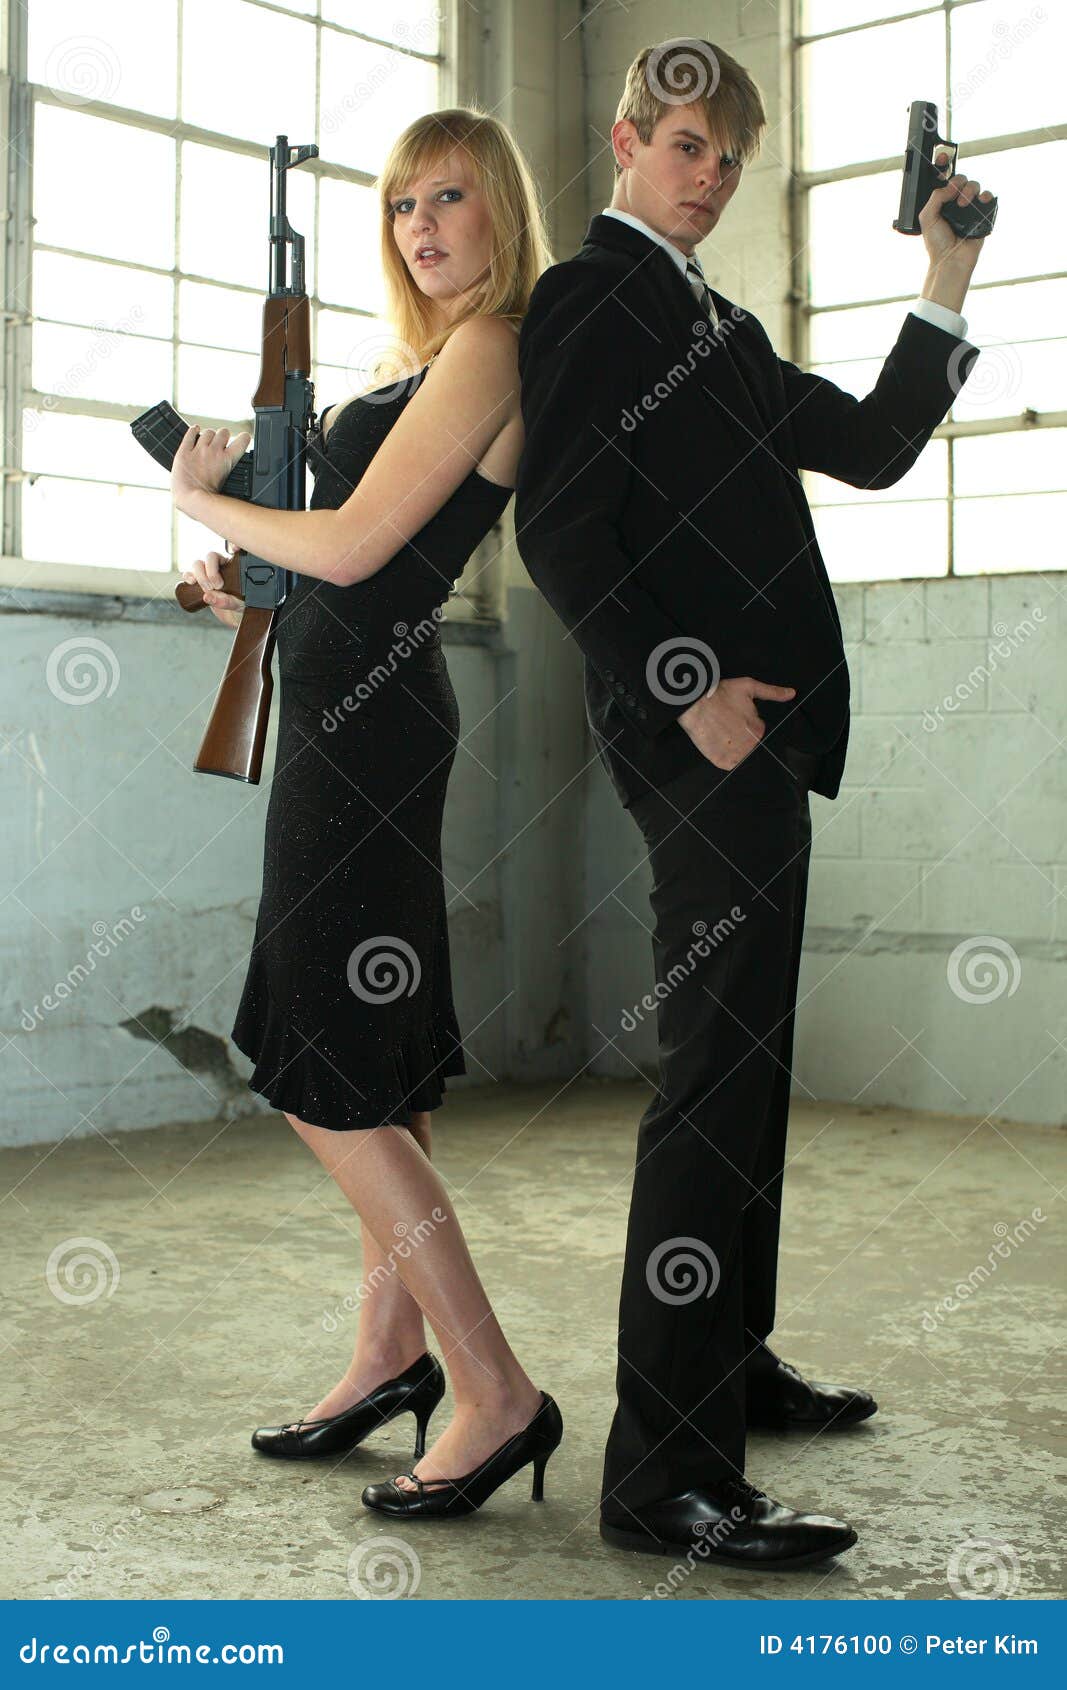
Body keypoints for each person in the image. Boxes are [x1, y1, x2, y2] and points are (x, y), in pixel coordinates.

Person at [514, 38, 992, 1568]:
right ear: (626, 140)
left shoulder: (709, 322)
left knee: (749, 1075)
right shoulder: (597, 300)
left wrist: (946, 272)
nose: (710, 175)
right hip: (702, 744)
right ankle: (665, 1476)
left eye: (730, 156)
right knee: (709, 1088)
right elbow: (560, 530)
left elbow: (863, 446)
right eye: (687, 146)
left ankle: (729, 1360)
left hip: (765, 745)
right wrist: (682, 684)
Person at [173, 108, 562, 1520]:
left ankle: (495, 1387)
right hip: (348, 715)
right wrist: (238, 581)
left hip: (372, 737)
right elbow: (329, 566)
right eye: (402, 204)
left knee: (319, 1070)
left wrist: (196, 494)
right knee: (375, 1071)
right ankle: (387, 1357)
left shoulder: (492, 348)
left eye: (449, 197)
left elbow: (352, 544)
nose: (422, 225)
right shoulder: (423, 360)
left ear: (497, 208)